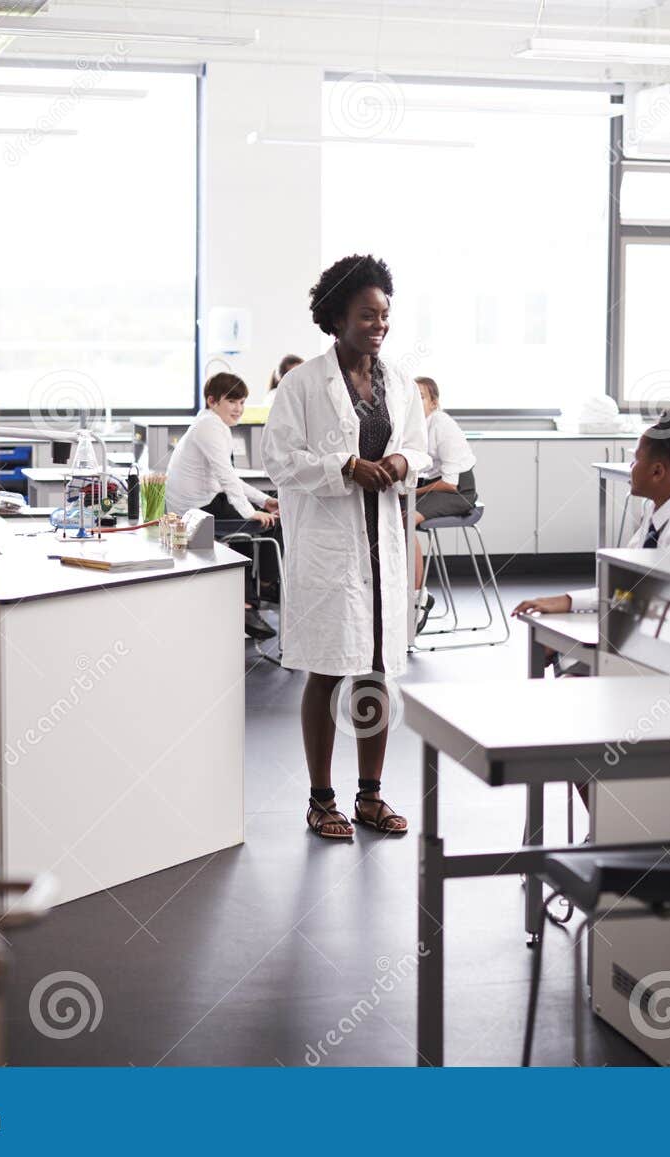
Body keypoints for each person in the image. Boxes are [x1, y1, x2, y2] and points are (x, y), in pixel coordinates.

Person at [263, 255, 430, 841]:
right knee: (327, 671)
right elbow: (278, 460)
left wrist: (403, 461)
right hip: (330, 548)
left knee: (377, 671)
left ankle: (370, 797)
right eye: (367, 315)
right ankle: (320, 798)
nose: (379, 325)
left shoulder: (400, 383)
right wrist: (346, 468)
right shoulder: (304, 384)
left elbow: (421, 447)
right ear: (337, 317)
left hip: (382, 543)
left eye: (385, 314)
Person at [512, 405, 670, 617]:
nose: (631, 465)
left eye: (637, 459)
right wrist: (568, 601)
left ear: (657, 472)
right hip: (647, 620)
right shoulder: (658, 508)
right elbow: (630, 586)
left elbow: (662, 603)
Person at [166, 371, 280, 640]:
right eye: (233, 402)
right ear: (212, 401)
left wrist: (263, 500)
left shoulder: (211, 424)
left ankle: (254, 595)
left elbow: (229, 478)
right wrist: (252, 512)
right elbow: (226, 477)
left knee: (261, 519)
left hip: (204, 502)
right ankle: (258, 595)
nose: (239, 409)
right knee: (269, 524)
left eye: (242, 402)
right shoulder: (209, 427)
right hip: (197, 510)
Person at [412, 375, 478, 629]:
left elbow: (450, 483)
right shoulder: (412, 426)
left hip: (457, 490)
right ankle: (399, 594)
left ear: (434, 402)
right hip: (431, 486)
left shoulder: (442, 425)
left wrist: (411, 494)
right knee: (385, 517)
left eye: (420, 398)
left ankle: (418, 599)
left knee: (403, 522)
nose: (414, 404)